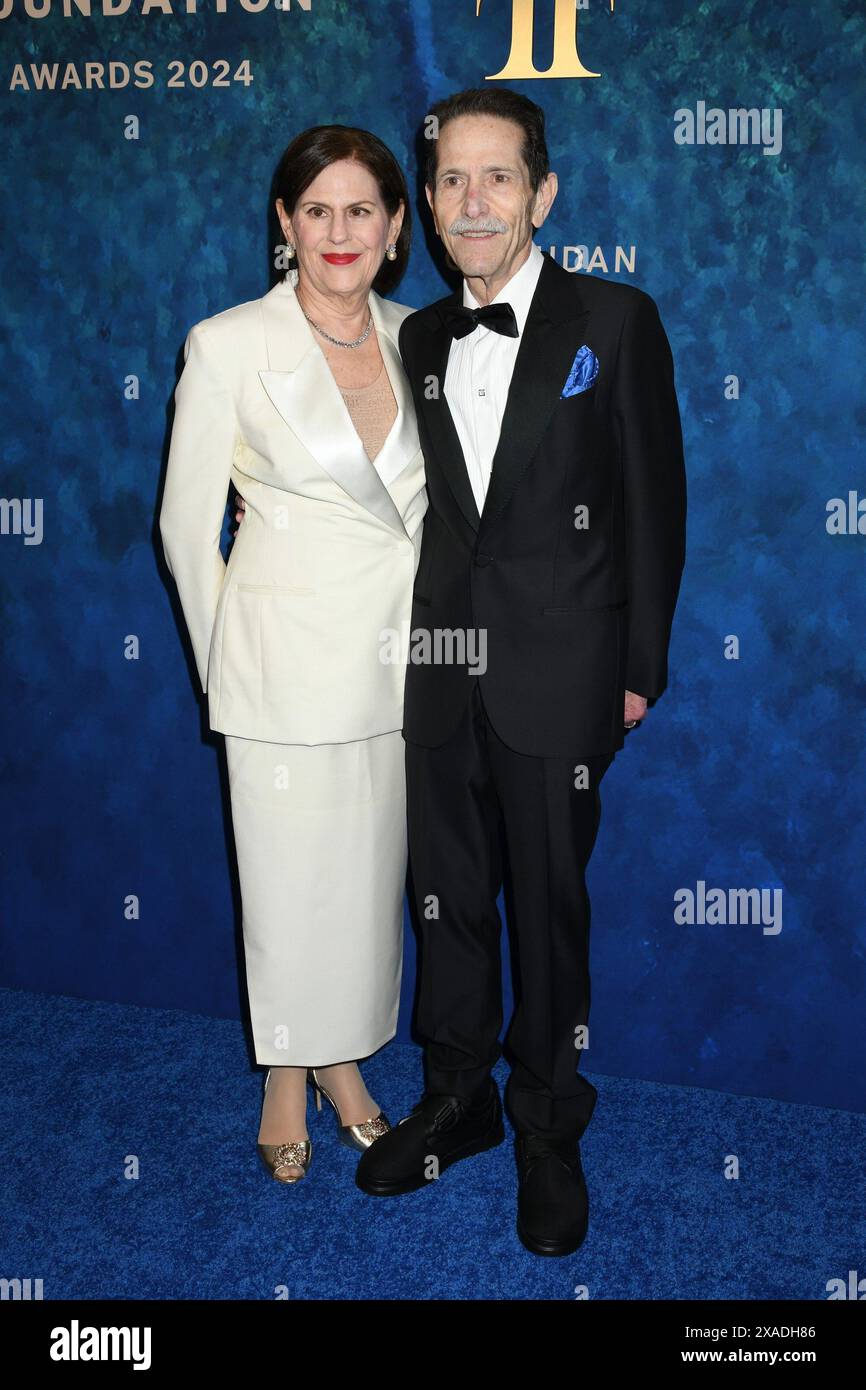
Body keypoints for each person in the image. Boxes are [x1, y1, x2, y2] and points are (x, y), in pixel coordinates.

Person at [354, 88, 687, 1257]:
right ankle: (460, 1099)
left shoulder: (616, 319)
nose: (472, 200)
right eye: (449, 180)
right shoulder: (422, 337)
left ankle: (548, 1123)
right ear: (428, 208)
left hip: (563, 673)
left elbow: (654, 503)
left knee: (546, 913)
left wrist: (634, 667)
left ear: (541, 193)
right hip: (442, 667)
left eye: (497, 177)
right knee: (443, 900)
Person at [159, 125, 427, 1183]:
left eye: (360, 209)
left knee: (367, 875)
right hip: (277, 658)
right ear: (284, 225)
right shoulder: (227, 344)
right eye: (314, 210)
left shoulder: (426, 336)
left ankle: (344, 1062)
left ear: (396, 227)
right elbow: (187, 529)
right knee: (283, 878)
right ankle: (286, 1071)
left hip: (397, 658)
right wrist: (228, 664)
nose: (337, 231)